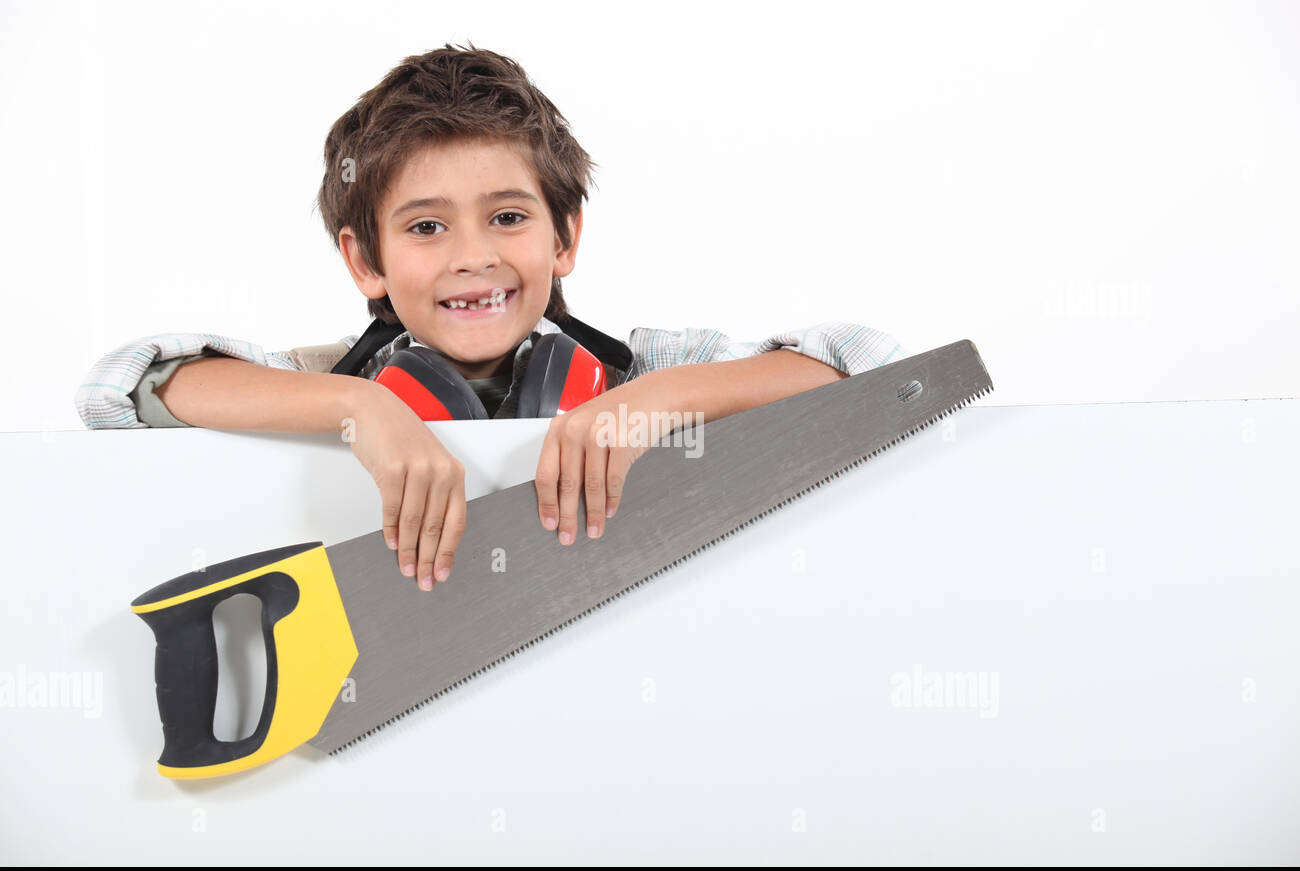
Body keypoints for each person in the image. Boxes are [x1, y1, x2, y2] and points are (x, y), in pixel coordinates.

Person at [74, 43, 907, 594]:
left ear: (565, 237)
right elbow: (124, 386)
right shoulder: (328, 382)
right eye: (427, 227)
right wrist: (363, 409)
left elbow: (874, 369)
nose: (471, 256)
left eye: (507, 217)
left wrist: (654, 401)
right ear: (366, 261)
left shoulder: (642, 367)